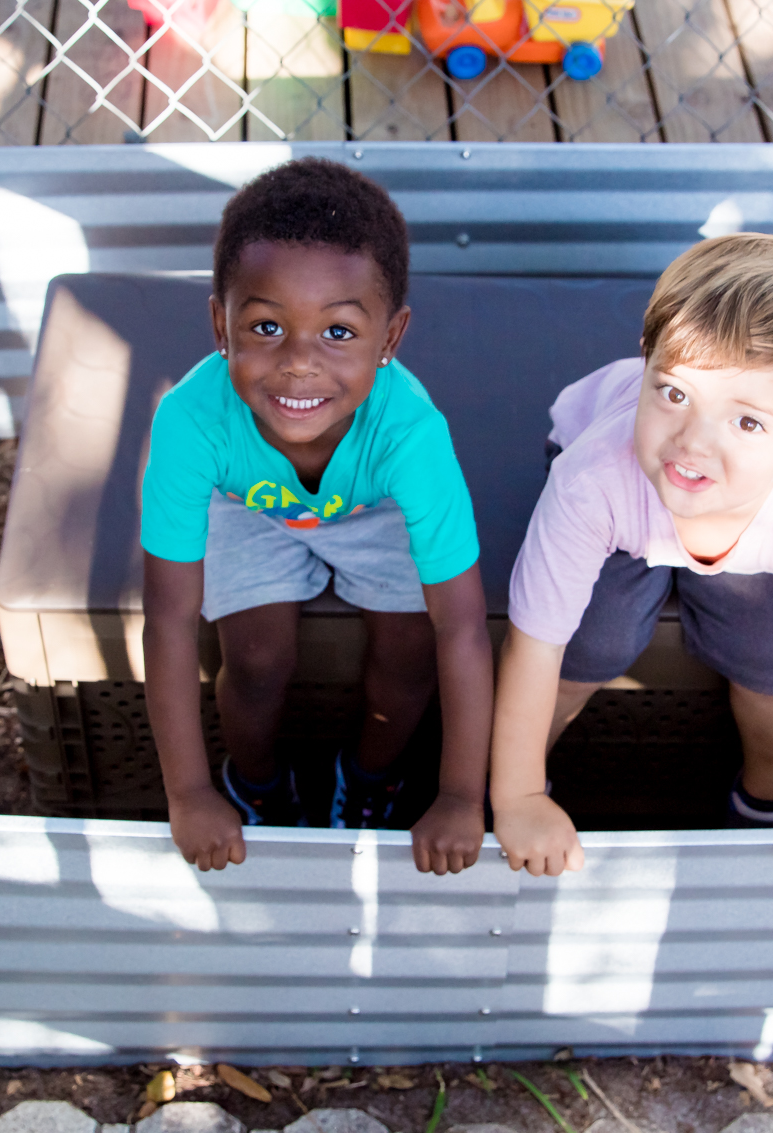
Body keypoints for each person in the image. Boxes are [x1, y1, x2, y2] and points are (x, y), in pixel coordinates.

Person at [491, 232, 773, 877]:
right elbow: (534, 642)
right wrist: (516, 797)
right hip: (625, 515)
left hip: (764, 537)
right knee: (590, 646)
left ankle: (766, 799)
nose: (692, 443)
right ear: (647, 360)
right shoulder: (593, 476)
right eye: (675, 392)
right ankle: (527, 773)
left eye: (747, 421)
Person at [140, 158, 492, 875]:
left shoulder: (410, 433)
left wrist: (460, 794)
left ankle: (368, 779)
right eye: (266, 325)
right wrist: (190, 791)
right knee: (259, 657)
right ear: (221, 323)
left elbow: (461, 622)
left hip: (372, 507)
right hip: (247, 505)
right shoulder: (190, 421)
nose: (299, 363)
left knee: (409, 650)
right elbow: (169, 618)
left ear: (390, 340)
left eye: (338, 333)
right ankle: (259, 784)